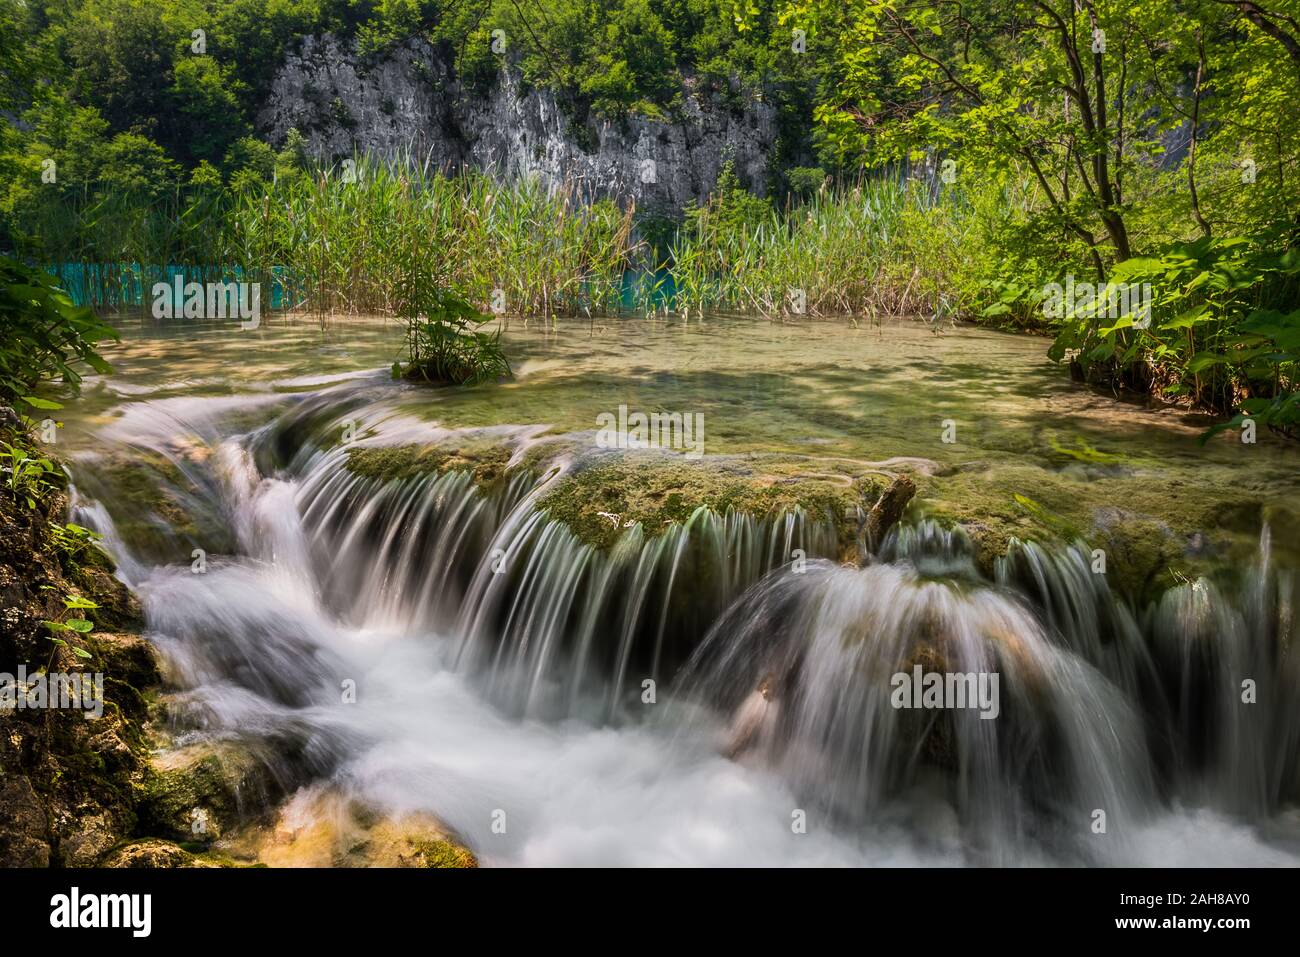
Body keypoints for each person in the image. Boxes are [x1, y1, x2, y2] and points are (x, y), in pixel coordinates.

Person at [725, 672, 779, 760]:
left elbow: (769, 696)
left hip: (762, 707)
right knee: (747, 728)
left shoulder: (771, 686)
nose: (767, 685)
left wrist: (767, 693)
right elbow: (763, 691)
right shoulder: (765, 685)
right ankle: (735, 749)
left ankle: (736, 749)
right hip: (758, 705)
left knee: (749, 729)